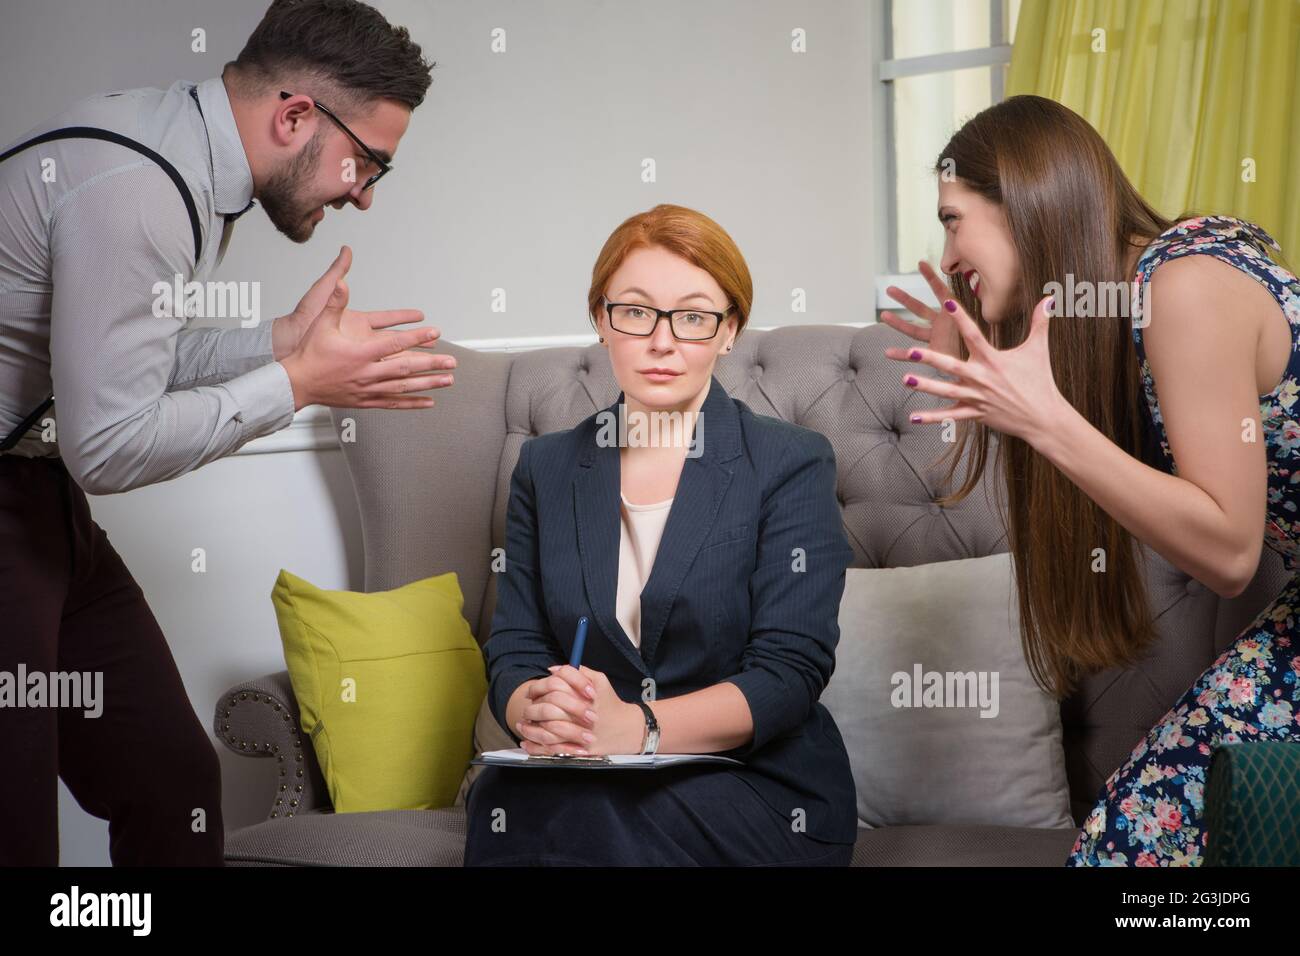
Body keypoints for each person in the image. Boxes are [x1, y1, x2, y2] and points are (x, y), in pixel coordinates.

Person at [0, 0, 455, 865]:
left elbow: (122, 364)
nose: (362, 194)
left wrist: (283, 343)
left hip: (37, 489)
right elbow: (109, 442)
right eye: (367, 163)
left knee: (170, 782)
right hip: (19, 488)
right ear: (294, 116)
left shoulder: (175, 152)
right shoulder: (139, 191)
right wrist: (298, 384)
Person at [878, 94, 1300, 866]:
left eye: (951, 218)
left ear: (1026, 200)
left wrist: (1044, 420)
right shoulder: (1132, 302)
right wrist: (992, 385)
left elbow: (1232, 548)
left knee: (1139, 844)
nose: (946, 253)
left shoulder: (1185, 286)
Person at [463, 204, 858, 866]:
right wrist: (534, 705)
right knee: (506, 799)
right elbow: (517, 644)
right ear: (601, 319)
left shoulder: (791, 462)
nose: (662, 341)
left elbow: (788, 673)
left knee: (591, 822)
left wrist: (638, 728)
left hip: (751, 782)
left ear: (729, 330)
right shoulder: (548, 467)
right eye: (637, 312)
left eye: (694, 316)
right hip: (585, 773)